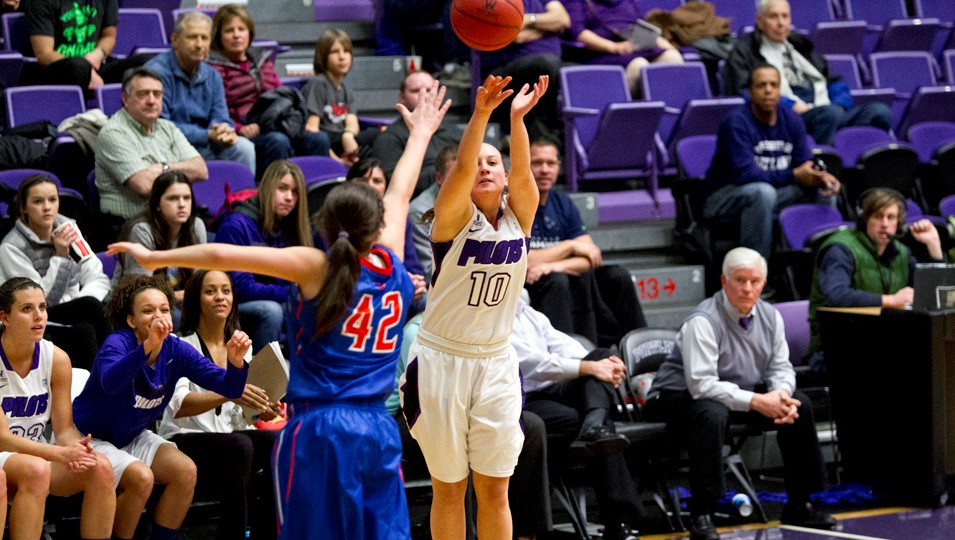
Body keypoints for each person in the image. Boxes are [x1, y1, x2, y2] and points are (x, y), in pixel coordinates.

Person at [108, 76, 451, 539]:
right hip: (378, 428)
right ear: (378, 223)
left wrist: (157, 258)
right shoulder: (391, 259)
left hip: (321, 429)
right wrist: (423, 134)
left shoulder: (315, 266)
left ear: (325, 223)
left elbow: (222, 256)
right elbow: (402, 191)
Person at [400, 73, 548, 539]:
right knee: (449, 488)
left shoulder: (519, 217)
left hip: (496, 361)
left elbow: (525, 174)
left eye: (494, 161)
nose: (484, 167)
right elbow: (462, 170)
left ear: (504, 176)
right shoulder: (452, 219)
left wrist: (517, 120)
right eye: (478, 162)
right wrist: (481, 114)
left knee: (495, 489)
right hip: (441, 359)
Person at [643, 247, 836, 540]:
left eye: (755, 281)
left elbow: (780, 368)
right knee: (711, 412)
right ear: (724, 281)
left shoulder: (771, 316)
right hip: (675, 397)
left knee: (800, 405)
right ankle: (702, 513)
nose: (748, 288)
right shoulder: (703, 321)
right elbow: (701, 385)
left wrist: (780, 395)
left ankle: (800, 503)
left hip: (733, 392)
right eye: (740, 280)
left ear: (763, 283)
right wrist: (759, 402)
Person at [71, 275, 250, 540]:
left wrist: (236, 364)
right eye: (148, 311)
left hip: (130, 436)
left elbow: (231, 389)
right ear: (131, 321)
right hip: (89, 437)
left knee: (185, 471)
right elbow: (110, 383)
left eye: (164, 310)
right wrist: (148, 347)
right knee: (142, 478)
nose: (159, 316)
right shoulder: (118, 343)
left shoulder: (176, 349)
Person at [513, 297, 646, 540]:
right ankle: (618, 523)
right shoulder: (492, 319)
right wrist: (591, 368)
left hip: (557, 388)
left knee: (601, 356)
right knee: (595, 420)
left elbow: (569, 348)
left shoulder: (530, 313)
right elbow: (534, 365)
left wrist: (604, 364)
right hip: (525, 399)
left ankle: (592, 426)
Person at [159, 270, 278, 540]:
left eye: (226, 290)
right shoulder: (178, 345)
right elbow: (177, 406)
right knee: (240, 445)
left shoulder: (241, 347)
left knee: (279, 440)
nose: (220, 297)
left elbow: (240, 414)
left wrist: (262, 408)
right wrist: (230, 392)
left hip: (230, 442)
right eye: (210, 291)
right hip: (184, 440)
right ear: (195, 299)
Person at [0, 277, 116, 540]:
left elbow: (63, 428)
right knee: (38, 469)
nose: (38, 316)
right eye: (27, 309)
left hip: (36, 454)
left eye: (42, 307)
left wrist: (77, 449)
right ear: (5, 318)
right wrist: (59, 453)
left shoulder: (56, 358)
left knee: (100, 467)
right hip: (4, 453)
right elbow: (3, 439)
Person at [704, 63, 841, 260]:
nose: (768, 90)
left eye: (773, 85)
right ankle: (756, 272)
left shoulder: (791, 119)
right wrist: (794, 175)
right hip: (725, 196)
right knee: (762, 192)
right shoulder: (736, 123)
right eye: (761, 85)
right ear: (750, 92)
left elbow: (804, 160)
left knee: (824, 187)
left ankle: (824, 263)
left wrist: (818, 175)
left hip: (774, 192)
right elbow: (747, 175)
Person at [526, 136, 646, 346]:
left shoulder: (563, 203)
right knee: (558, 280)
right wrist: (571, 246)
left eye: (550, 163)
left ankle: (641, 352)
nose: (545, 169)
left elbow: (591, 257)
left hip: (557, 276)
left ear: (558, 167)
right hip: (534, 284)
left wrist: (551, 265)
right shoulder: (515, 202)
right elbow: (523, 260)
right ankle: (566, 357)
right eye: (537, 163)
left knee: (618, 276)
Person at [722, 0, 891, 146]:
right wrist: (790, 106)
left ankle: (858, 169)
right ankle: (821, 166)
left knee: (879, 112)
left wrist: (839, 105)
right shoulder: (745, 51)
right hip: (786, 118)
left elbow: (834, 82)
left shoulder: (801, 47)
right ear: (759, 21)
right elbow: (746, 93)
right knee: (829, 115)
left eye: (785, 16)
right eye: (773, 17)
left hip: (825, 111)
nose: (781, 23)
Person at [808, 188, 943, 365]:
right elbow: (837, 295)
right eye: (878, 216)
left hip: (883, 343)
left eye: (891, 217)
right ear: (865, 219)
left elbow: (936, 295)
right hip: (835, 349)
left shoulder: (901, 253)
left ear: (899, 222)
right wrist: (891, 300)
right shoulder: (840, 249)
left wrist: (934, 245)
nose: (885, 224)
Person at [0, 174, 111, 371]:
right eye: (38, 201)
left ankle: (110, 379)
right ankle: (113, 374)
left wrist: (80, 303)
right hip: (33, 315)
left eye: (53, 199)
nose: (47, 207)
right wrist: (60, 257)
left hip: (74, 308)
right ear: (24, 208)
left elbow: (96, 275)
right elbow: (40, 301)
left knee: (87, 325)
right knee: (90, 312)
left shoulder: (68, 229)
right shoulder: (11, 247)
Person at [207, 4, 331, 179]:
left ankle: (318, 196)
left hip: (276, 123)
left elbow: (283, 96)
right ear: (219, 36)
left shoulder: (263, 61)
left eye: (241, 29)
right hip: (246, 130)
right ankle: (272, 199)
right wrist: (240, 128)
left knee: (319, 139)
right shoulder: (213, 69)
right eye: (229, 30)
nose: (236, 35)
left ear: (249, 32)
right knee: (277, 141)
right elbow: (216, 110)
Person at [215, 160, 312, 354]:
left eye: (295, 192)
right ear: (267, 188)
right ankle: (265, 378)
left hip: (278, 300)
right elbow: (240, 288)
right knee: (273, 311)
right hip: (234, 306)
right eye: (282, 189)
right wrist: (289, 294)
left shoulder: (289, 227)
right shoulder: (236, 224)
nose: (289, 198)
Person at [145, 10, 256, 173]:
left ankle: (242, 197)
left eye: (204, 38)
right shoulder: (156, 74)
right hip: (171, 147)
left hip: (206, 143)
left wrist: (223, 130)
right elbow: (160, 127)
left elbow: (220, 115)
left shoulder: (213, 75)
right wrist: (207, 135)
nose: (199, 45)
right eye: (192, 37)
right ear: (175, 40)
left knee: (244, 148)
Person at [96, 66, 208, 222]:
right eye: (142, 94)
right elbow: (144, 185)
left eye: (157, 94)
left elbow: (201, 170)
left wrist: (164, 168)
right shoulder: (113, 133)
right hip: (128, 225)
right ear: (125, 99)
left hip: (169, 224)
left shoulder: (167, 128)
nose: (151, 101)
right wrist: (179, 171)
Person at [113, 171, 207, 329]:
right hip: (140, 308)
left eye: (187, 198)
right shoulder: (143, 230)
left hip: (180, 302)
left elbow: (201, 282)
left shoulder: (196, 226)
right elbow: (140, 293)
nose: (182, 204)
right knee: (174, 316)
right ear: (157, 204)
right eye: (173, 198)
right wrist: (189, 295)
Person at [340, 157, 428, 316]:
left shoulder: (398, 219)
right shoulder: (337, 217)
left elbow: (413, 265)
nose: (370, 186)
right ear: (348, 184)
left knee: (425, 300)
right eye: (362, 179)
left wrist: (414, 283)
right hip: (352, 293)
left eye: (377, 181)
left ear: (386, 187)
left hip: (395, 292)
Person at [479, 0, 567, 140]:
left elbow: (563, 19)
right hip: (506, 68)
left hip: (551, 63)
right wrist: (550, 29)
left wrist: (528, 19)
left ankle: (566, 141)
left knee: (581, 74)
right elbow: (515, 35)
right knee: (545, 65)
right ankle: (543, 139)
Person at [562, 0, 683, 97]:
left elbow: (640, 24)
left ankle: (670, 116)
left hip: (635, 47)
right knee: (639, 65)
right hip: (600, 53)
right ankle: (631, 116)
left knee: (671, 57)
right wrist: (613, 47)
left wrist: (657, 40)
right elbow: (578, 33)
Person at [372, 70, 463, 197]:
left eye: (430, 90)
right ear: (402, 97)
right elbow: (393, 186)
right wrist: (450, 173)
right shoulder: (389, 138)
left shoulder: (453, 131)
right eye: (416, 91)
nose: (425, 96)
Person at [25, 0, 149, 89]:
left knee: (148, 61)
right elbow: (44, 55)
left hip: (95, 64)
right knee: (79, 66)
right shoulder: (39, 2)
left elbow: (109, 37)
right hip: (60, 71)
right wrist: (87, 70)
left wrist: (99, 53)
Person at [301, 28, 377, 166]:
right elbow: (312, 129)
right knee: (320, 139)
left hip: (341, 139)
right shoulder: (318, 83)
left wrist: (347, 136)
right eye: (335, 52)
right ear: (323, 56)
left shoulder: (346, 87)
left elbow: (352, 121)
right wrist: (338, 162)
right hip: (326, 141)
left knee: (376, 135)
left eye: (346, 51)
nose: (342, 57)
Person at [408, 143, 456, 281]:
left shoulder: (478, 199)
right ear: (438, 178)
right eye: (454, 175)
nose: (463, 181)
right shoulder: (421, 212)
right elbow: (430, 271)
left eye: (467, 173)